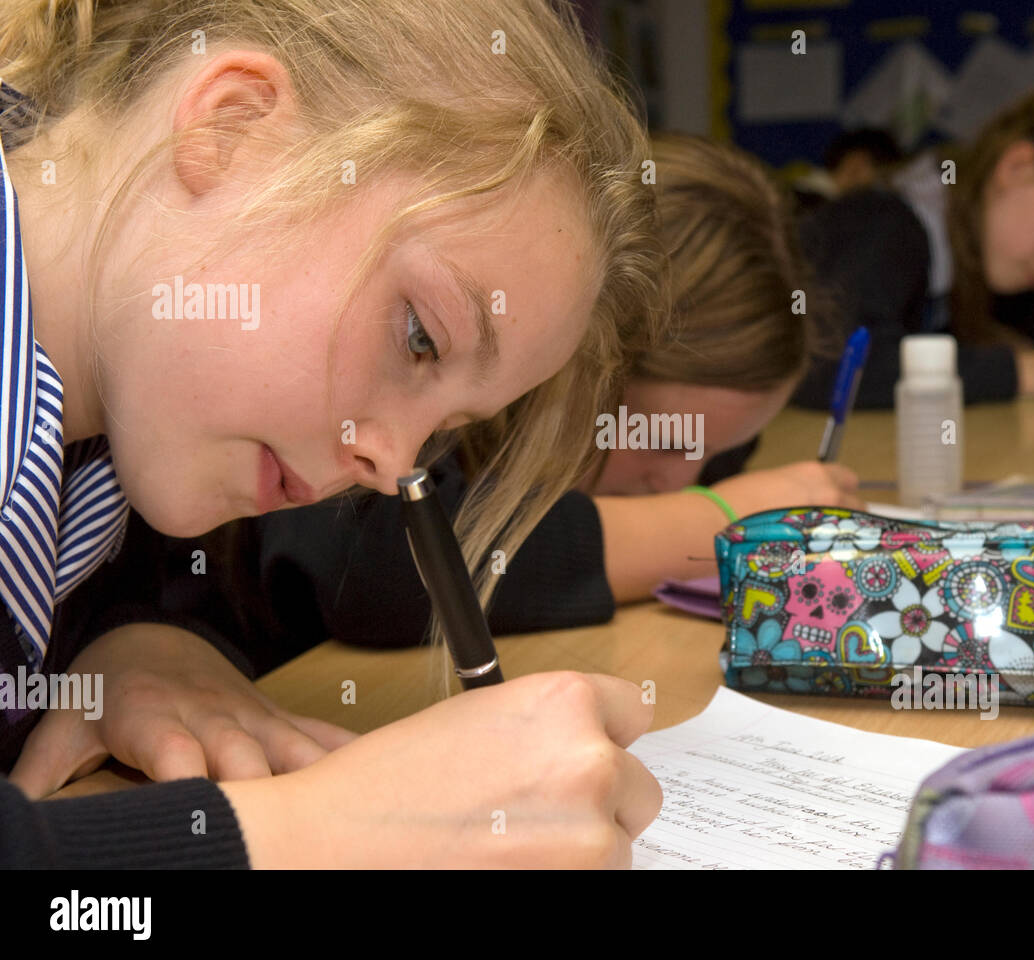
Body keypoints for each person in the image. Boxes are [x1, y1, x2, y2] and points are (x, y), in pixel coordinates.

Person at [0, 0, 668, 868]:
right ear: (230, 127)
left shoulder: (97, 456)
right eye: (419, 335)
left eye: (445, 430)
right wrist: (328, 832)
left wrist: (125, 643)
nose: (390, 466)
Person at [791, 82, 1034, 409]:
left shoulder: (992, 270)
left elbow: (1021, 345)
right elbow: (829, 366)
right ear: (1016, 168)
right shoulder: (885, 222)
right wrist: (1029, 373)